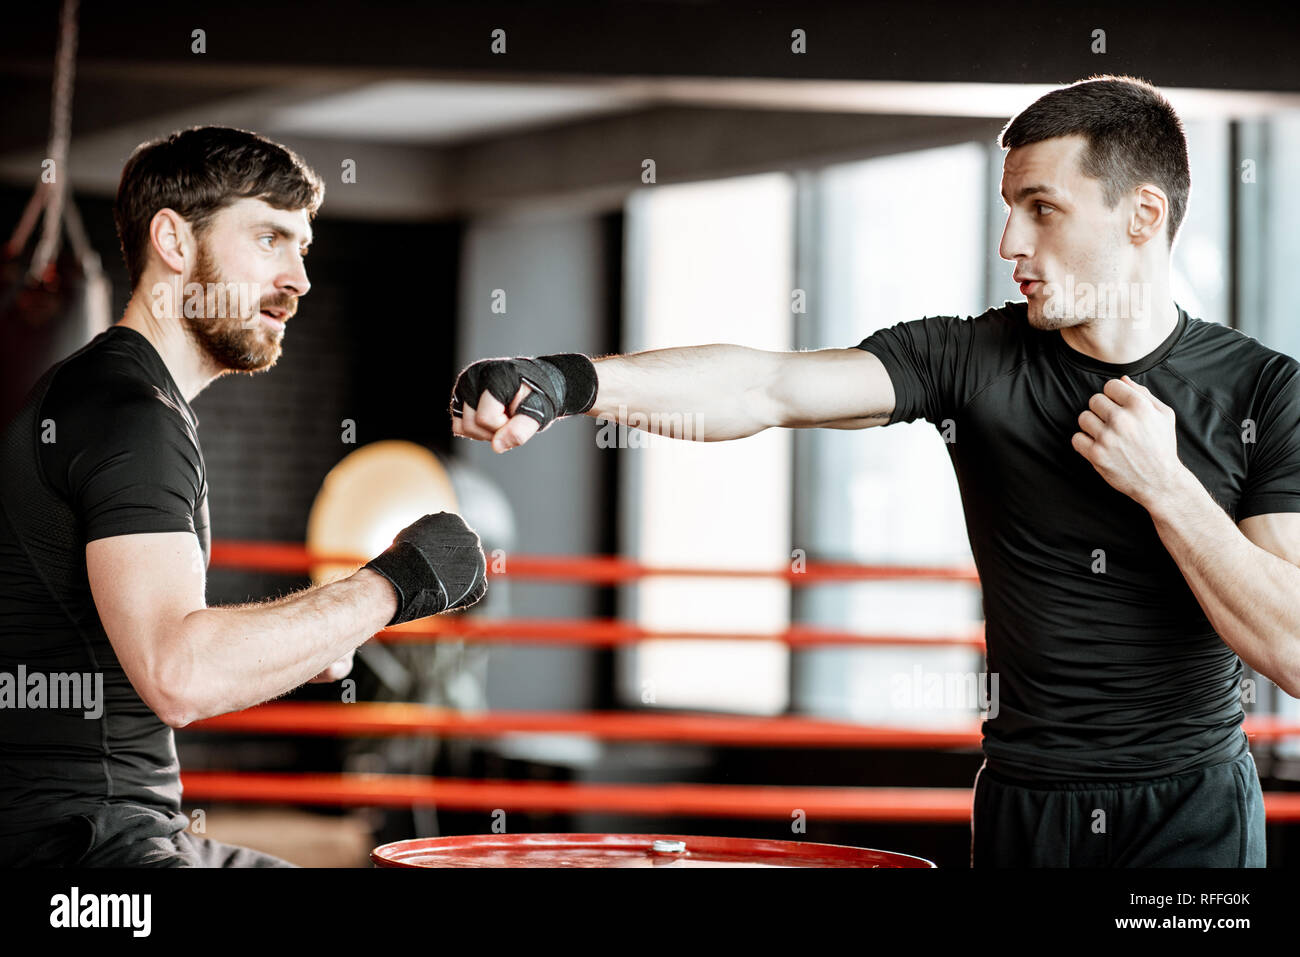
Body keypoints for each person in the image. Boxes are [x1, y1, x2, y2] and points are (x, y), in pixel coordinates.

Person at [450, 76, 1300, 867]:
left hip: (1194, 811)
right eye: (1009, 209)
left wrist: (1167, 485)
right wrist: (572, 381)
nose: (1011, 242)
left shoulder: (1263, 390)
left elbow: (1292, 649)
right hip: (1026, 803)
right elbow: (768, 383)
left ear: (1142, 214)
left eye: (1042, 209)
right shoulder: (971, 358)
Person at [0, 126, 487, 867]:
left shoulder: (111, 394)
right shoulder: (130, 416)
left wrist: (308, 638)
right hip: (87, 857)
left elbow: (159, 642)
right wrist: (399, 581)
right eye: (269, 239)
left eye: (303, 248)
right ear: (173, 239)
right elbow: (180, 673)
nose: (298, 278)